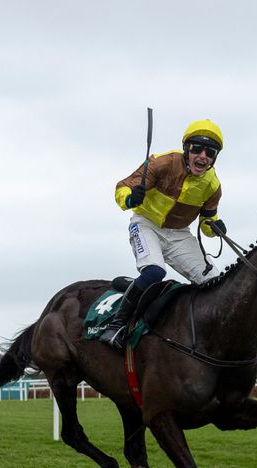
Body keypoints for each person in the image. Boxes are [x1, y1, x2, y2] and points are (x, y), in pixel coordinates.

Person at [99, 118, 228, 349]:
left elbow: (207, 222)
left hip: (179, 234)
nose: (202, 156)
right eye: (197, 149)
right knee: (155, 271)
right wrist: (130, 198)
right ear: (187, 148)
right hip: (146, 225)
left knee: (214, 282)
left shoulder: (212, 185)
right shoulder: (161, 163)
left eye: (210, 152)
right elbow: (123, 187)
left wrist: (215, 227)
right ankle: (116, 325)